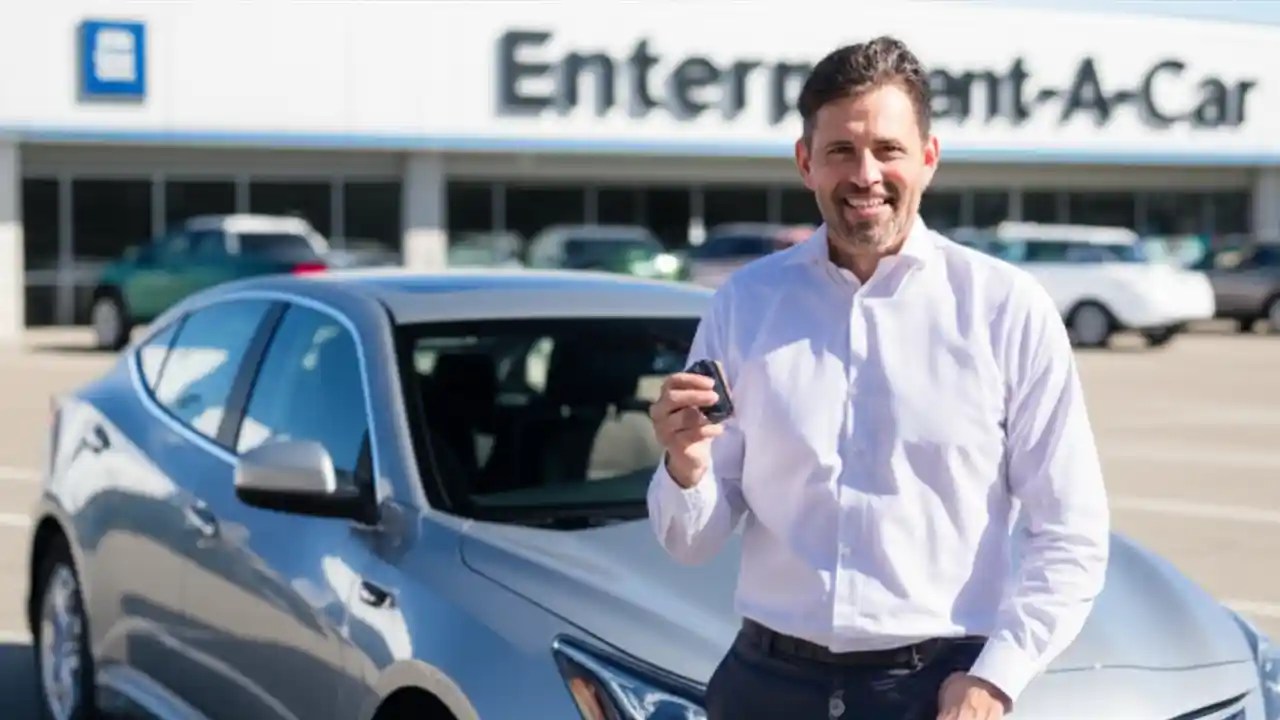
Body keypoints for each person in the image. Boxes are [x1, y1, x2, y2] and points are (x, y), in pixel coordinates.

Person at [646, 36, 1110, 720]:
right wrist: (685, 468)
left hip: (933, 690)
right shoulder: (745, 304)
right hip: (764, 686)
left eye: (887, 149)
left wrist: (995, 679)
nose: (865, 174)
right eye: (840, 152)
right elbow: (693, 542)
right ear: (807, 163)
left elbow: (1071, 531)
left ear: (928, 158)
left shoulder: (1005, 308)